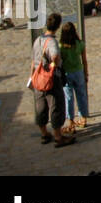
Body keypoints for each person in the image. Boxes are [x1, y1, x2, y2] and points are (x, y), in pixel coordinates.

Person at [31, 12, 73, 147]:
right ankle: (58, 136)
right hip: (50, 78)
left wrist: (32, 75)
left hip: (38, 78)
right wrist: (53, 66)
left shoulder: (37, 40)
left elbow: (33, 60)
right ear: (58, 26)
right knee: (56, 105)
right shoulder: (52, 42)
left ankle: (44, 134)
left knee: (40, 107)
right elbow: (55, 56)